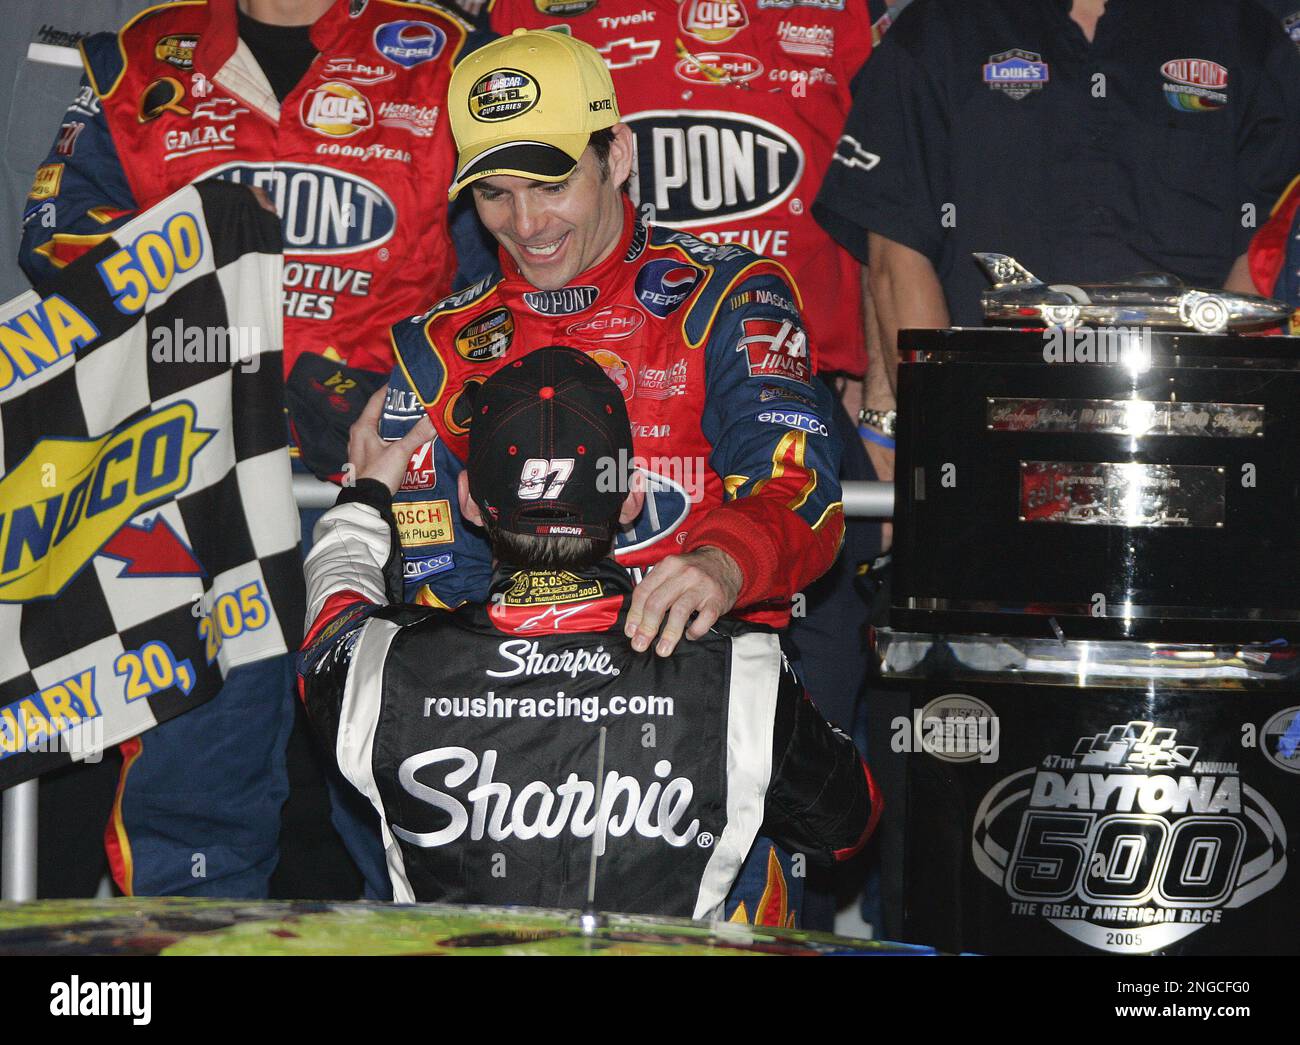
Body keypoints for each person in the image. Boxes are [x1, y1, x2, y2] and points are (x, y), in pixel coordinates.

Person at [15, 0, 494, 899]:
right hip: (200, 495)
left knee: (424, 799)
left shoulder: (448, 51)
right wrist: (203, 250)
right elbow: (53, 239)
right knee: (195, 802)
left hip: (391, 496)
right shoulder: (137, 56)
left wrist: (400, 391)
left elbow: (509, 270)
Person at [379, 28, 846, 921]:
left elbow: (803, 489)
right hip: (495, 760)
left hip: (690, 740)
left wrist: (723, 561)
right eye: (496, 194)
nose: (526, 225)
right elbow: (422, 541)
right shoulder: (440, 345)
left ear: (618, 153)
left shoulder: (728, 296)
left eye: (552, 184)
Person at [300, 346, 878, 914]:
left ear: (470, 503)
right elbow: (849, 827)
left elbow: (334, 600)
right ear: (630, 498)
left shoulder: (380, 668)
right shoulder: (741, 671)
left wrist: (366, 493)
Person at [814, 0, 1300, 493]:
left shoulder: (1239, 31)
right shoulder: (941, 26)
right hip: (986, 443)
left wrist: (1208, 425)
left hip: (1194, 448)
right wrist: (945, 439)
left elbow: (1270, 251)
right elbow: (897, 255)